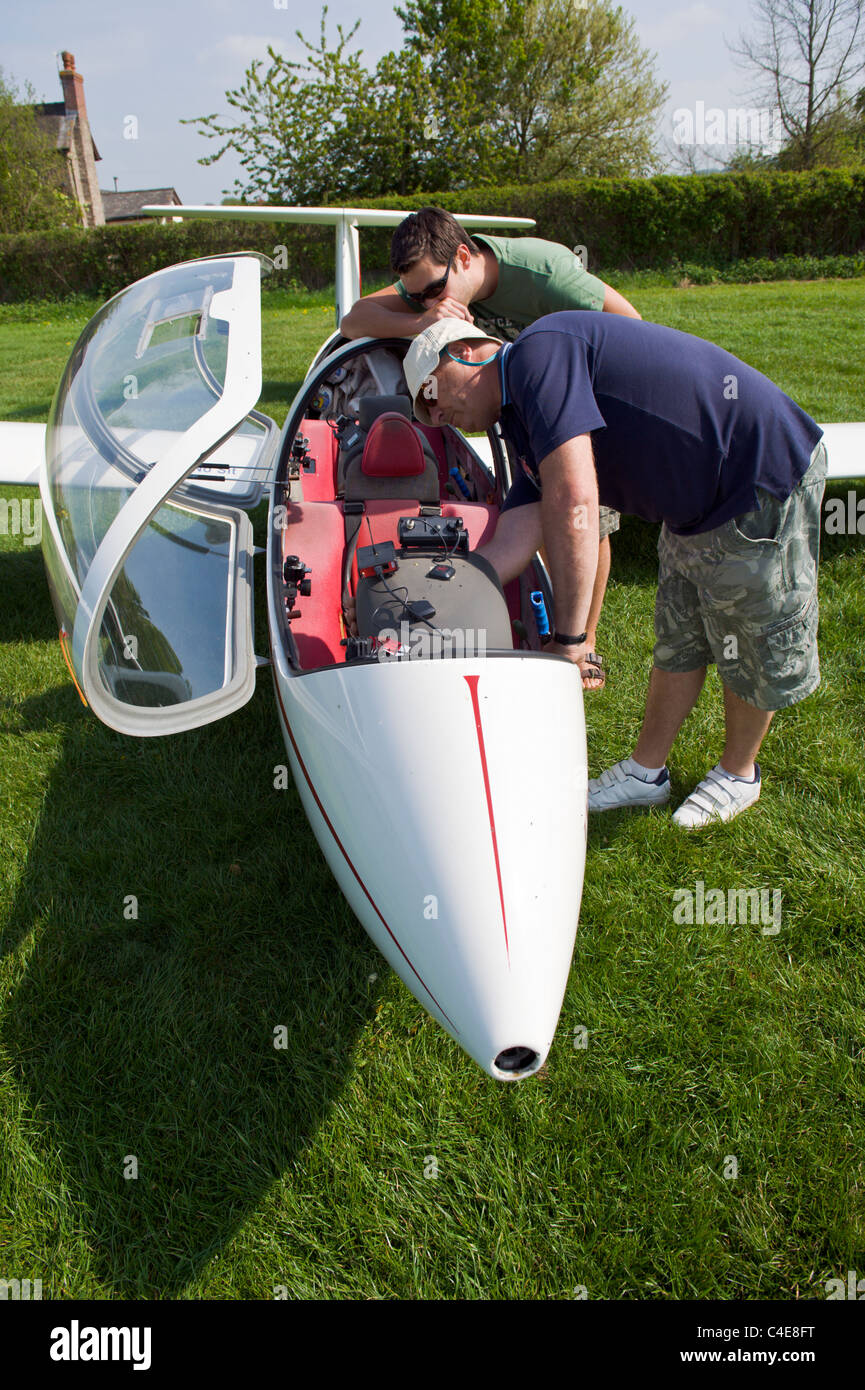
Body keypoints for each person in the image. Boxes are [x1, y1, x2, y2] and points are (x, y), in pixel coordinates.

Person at [401, 313, 826, 830]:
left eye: (432, 393)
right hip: (691, 505)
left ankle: (738, 773)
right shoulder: (516, 414)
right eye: (425, 412)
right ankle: (647, 773)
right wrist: (436, 595)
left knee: (751, 635)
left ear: (466, 352)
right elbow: (520, 529)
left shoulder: (539, 355)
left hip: (753, 473)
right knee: (680, 638)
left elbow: (575, 500)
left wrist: (571, 639)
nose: (437, 413)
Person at [340, 207, 643, 691]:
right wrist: (423, 318)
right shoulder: (430, 284)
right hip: (522, 409)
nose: (426, 300)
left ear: (463, 257)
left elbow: (631, 325)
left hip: (580, 402)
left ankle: (584, 642)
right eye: (415, 294)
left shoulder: (544, 273)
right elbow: (354, 319)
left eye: (434, 290)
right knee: (533, 511)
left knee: (590, 519)